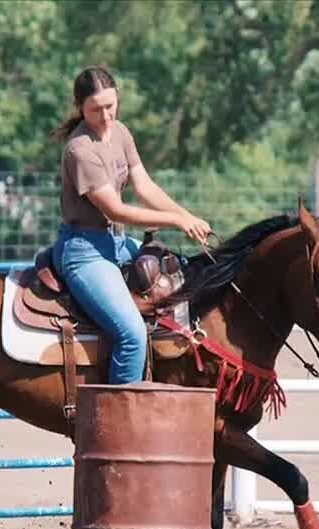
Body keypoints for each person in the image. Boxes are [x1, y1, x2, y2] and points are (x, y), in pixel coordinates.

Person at [51, 66, 212, 385]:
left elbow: (144, 186)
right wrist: (176, 221)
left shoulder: (120, 132)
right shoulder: (80, 150)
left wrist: (187, 216)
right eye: (96, 109)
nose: (106, 115)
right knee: (132, 335)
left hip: (117, 244)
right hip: (85, 253)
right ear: (80, 107)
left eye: (110, 106)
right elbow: (116, 209)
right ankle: (120, 419)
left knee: (182, 278)